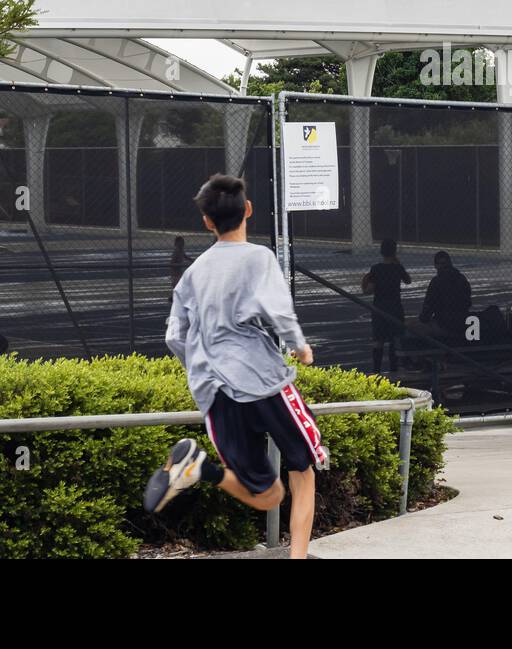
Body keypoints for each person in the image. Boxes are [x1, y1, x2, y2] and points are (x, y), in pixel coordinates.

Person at [143, 174, 326, 560]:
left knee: (267, 495)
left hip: (215, 393)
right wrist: (299, 347)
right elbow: (278, 308)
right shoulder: (259, 257)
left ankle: (199, 469)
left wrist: (204, 370)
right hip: (263, 382)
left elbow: (175, 336)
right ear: (248, 211)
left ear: (207, 222)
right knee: (302, 472)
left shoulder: (192, 275)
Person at [363, 238, 411, 374]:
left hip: (380, 308)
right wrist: (398, 263)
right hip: (395, 307)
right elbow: (408, 280)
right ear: (394, 252)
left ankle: (376, 371)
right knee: (393, 340)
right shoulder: (398, 268)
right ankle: (393, 371)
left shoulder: (376, 269)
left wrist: (364, 285)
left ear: (381, 251)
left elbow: (369, 290)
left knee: (378, 341)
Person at [419, 250, 473, 342]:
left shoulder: (436, 282)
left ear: (436, 266)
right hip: (462, 321)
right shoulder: (462, 278)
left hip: (444, 324)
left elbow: (428, 307)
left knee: (414, 328)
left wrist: (423, 319)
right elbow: (468, 302)